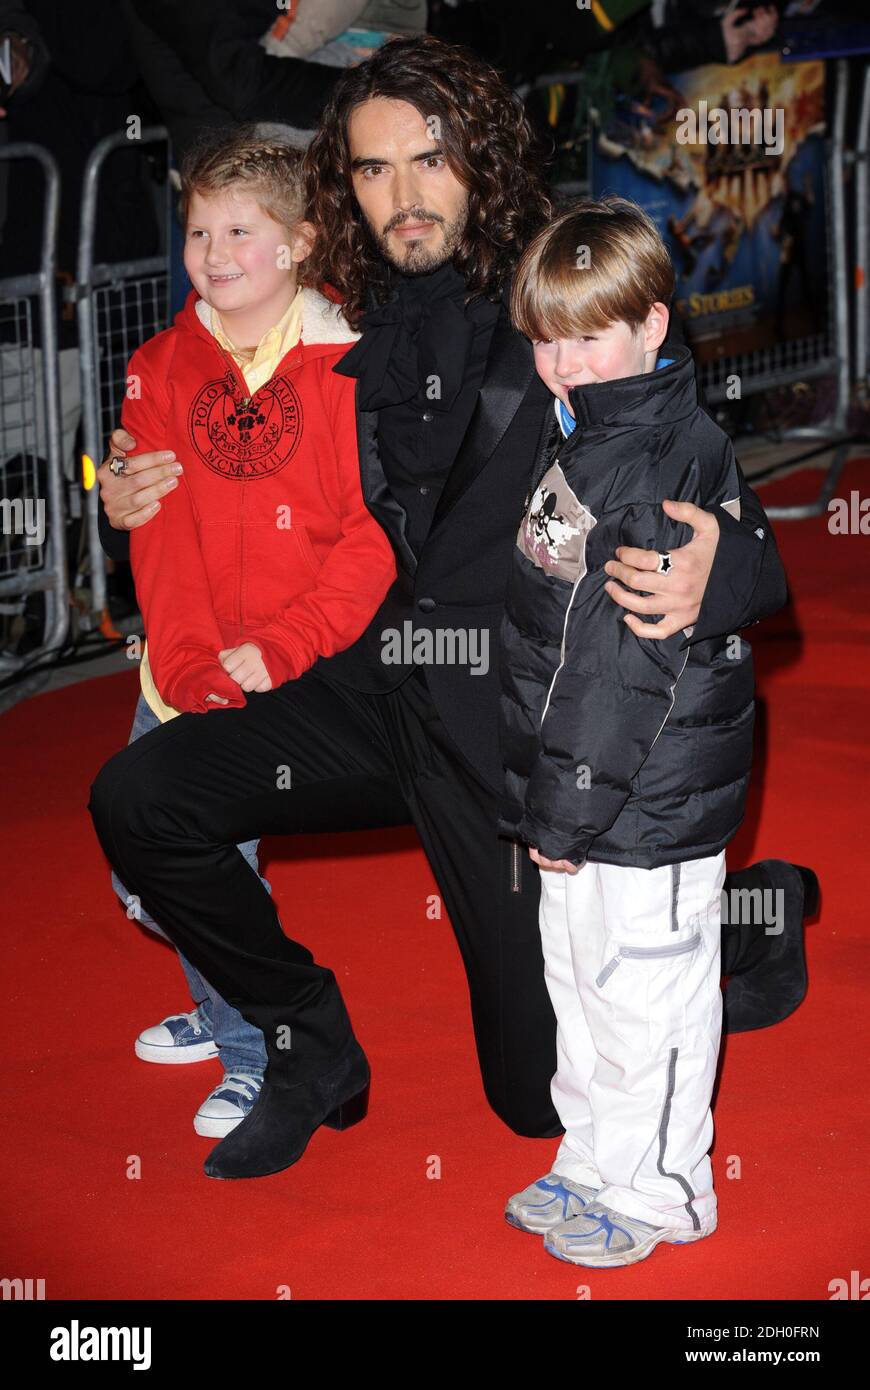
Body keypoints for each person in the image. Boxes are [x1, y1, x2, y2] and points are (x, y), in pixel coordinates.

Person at [90, 36, 816, 1184]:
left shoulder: (556, 293)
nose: (405, 195)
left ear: (480, 156)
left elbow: (700, 455)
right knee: (143, 794)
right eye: (374, 171)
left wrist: (725, 556)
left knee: (538, 1101)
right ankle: (305, 1044)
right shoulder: (353, 310)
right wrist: (126, 479)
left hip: (517, 723)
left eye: (430, 159)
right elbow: (218, 403)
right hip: (385, 686)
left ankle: (745, 914)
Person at [106, 127, 396, 1138]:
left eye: (240, 230)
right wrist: (183, 661)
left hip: (311, 669)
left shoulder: (351, 365)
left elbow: (369, 538)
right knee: (147, 866)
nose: (214, 252)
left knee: (210, 860)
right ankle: (221, 984)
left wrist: (285, 646)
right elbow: (161, 531)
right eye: (196, 230)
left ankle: (248, 1052)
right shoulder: (158, 365)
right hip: (185, 666)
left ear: (302, 243)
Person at [499, 197, 755, 1267]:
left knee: (646, 994)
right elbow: (547, 624)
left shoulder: (657, 460)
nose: (564, 362)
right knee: (577, 978)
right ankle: (594, 1158)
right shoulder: (592, 434)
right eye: (548, 338)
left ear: (653, 326)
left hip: (646, 794)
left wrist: (563, 804)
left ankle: (662, 1190)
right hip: (584, 789)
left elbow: (622, 666)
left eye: (589, 335)